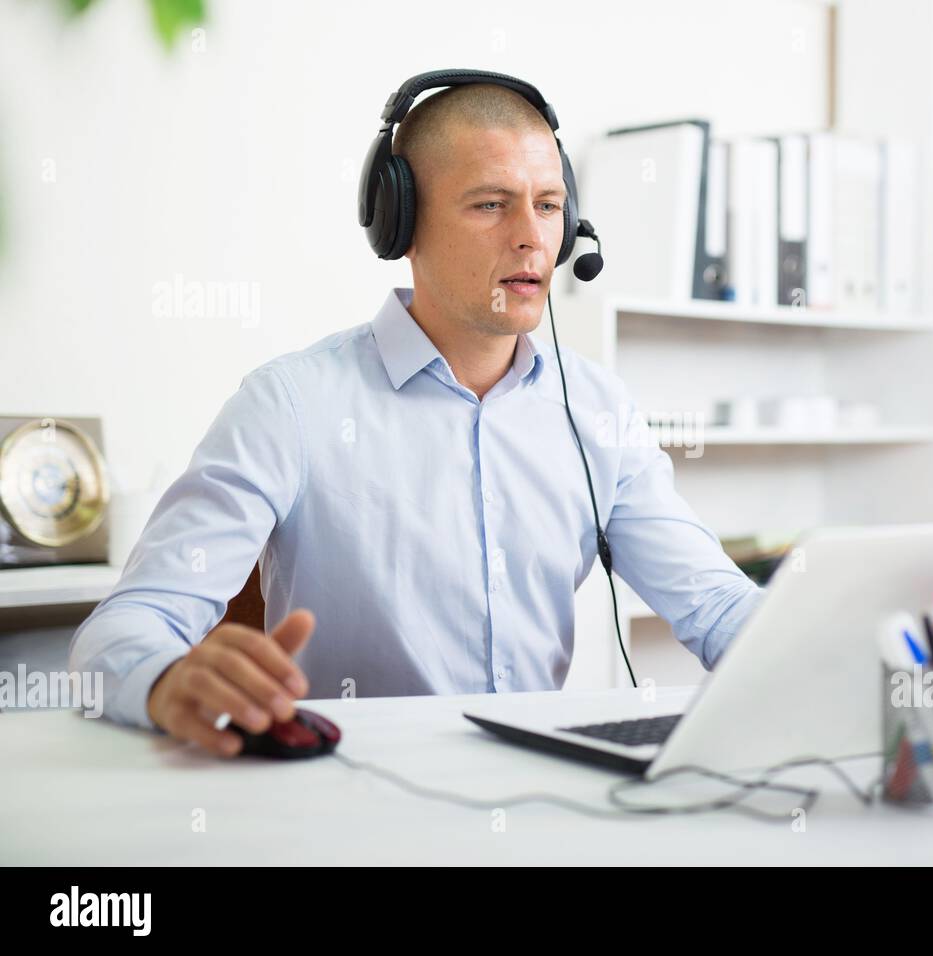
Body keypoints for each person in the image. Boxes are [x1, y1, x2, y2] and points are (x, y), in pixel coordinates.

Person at [69, 79, 763, 757]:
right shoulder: (290, 404)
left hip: (540, 790)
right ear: (399, 222)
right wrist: (165, 681)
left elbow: (716, 605)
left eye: (549, 205)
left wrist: (821, 655)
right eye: (490, 204)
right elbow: (122, 632)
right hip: (355, 796)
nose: (532, 238)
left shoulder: (597, 409)